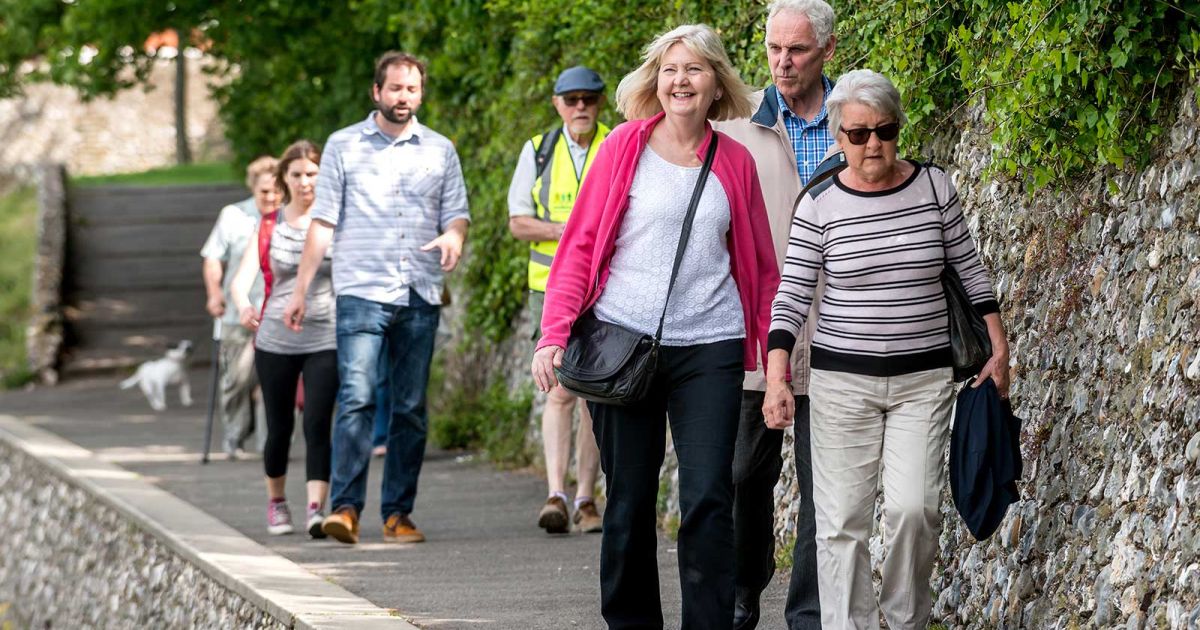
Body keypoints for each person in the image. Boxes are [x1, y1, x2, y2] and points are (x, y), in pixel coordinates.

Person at [531, 24, 779, 628]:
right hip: (624, 341)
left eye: (694, 69)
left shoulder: (737, 161)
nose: (680, 80)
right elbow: (580, 246)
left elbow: (762, 270)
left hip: (710, 346)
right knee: (630, 503)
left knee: (707, 498)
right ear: (655, 80)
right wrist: (554, 332)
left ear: (716, 83)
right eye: (670, 69)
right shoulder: (622, 147)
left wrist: (774, 366)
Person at [763, 69, 1011, 629]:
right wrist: (777, 378)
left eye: (885, 130)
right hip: (841, 387)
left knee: (914, 511)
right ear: (837, 138)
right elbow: (791, 297)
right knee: (842, 523)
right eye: (857, 134)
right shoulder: (819, 204)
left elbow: (969, 272)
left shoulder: (933, 187)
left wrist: (999, 345)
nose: (872, 143)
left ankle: (904, 623)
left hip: (922, 383)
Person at [286, 51, 470, 545]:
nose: (403, 97)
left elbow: (457, 214)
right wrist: (301, 289)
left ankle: (397, 514)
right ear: (377, 92)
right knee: (358, 398)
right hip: (361, 291)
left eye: (411, 89)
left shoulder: (439, 150)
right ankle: (344, 509)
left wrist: (453, 237)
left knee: (409, 406)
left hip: (419, 291)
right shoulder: (343, 146)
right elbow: (323, 222)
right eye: (395, 89)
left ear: (420, 93)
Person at [710, 0, 835, 626]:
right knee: (739, 475)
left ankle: (807, 615)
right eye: (774, 49)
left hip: (842, 334)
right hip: (758, 333)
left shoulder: (857, 122)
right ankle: (741, 594)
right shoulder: (735, 126)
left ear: (827, 52)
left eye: (798, 51)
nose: (783, 63)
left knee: (823, 492)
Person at [507, 65, 610, 535]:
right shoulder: (538, 150)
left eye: (589, 99)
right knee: (560, 389)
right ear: (557, 104)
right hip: (547, 289)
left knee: (592, 395)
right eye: (572, 100)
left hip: (607, 290)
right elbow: (518, 222)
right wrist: (568, 232)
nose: (581, 107)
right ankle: (556, 493)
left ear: (600, 102)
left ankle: (587, 499)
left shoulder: (617, 142)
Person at [230, 140, 337, 538]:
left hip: (326, 334)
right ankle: (276, 503)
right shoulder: (269, 224)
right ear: (284, 179)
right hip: (274, 339)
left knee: (317, 423)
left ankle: (315, 509)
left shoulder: (334, 223)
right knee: (279, 427)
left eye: (312, 174)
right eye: (297, 175)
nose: (305, 182)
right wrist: (244, 306)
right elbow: (241, 281)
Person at [200, 156, 277, 458]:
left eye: (275, 191)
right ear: (253, 189)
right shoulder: (233, 215)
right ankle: (235, 435)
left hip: (275, 313)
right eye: (264, 192)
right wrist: (214, 293)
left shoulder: (291, 218)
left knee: (273, 381)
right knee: (237, 378)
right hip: (236, 313)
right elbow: (212, 258)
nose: (270, 198)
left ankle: (271, 444)